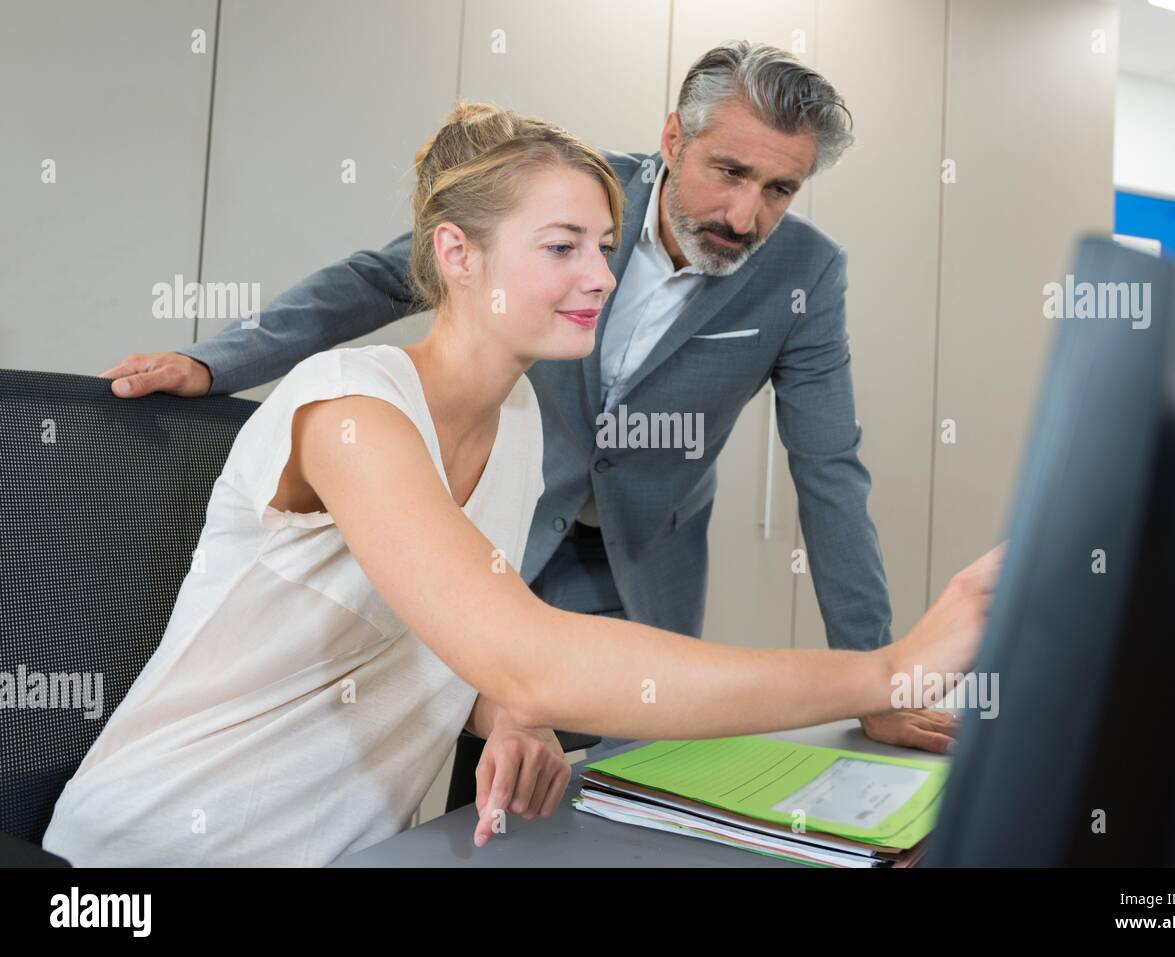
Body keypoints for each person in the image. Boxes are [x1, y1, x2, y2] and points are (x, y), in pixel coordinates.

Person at [47, 102, 1001, 867]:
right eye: (561, 249)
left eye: (603, 246)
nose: (600, 277)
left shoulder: (516, 428)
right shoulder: (350, 414)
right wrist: (884, 668)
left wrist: (506, 708)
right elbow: (526, 651)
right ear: (458, 257)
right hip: (157, 850)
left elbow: (451, 633)